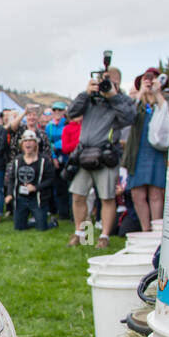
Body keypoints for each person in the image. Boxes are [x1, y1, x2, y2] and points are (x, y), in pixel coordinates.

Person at [65, 66, 136, 249]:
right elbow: (72, 112)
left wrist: (113, 96)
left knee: (106, 197)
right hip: (84, 153)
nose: (105, 83)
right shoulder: (90, 99)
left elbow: (129, 118)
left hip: (106, 155)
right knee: (78, 195)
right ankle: (81, 234)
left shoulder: (123, 100)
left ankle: (104, 236)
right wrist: (85, 93)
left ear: (117, 82)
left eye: (109, 80)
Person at [122, 69, 169, 230]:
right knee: (137, 194)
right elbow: (128, 117)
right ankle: (145, 230)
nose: (149, 82)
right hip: (138, 151)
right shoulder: (137, 103)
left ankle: (157, 231)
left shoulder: (164, 100)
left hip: (157, 152)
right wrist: (140, 93)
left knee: (156, 193)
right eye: (146, 79)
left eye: (153, 79)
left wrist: (157, 94)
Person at [5, 130, 51, 231]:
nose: (28, 143)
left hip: (37, 199)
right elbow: (12, 179)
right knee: (19, 228)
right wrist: (9, 194)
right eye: (25, 141)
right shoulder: (17, 160)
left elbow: (50, 179)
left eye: (31, 141)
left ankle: (50, 223)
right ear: (22, 144)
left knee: (42, 228)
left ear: (35, 143)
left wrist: (35, 187)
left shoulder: (44, 160)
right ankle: (31, 221)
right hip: (21, 198)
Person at [45, 101, 72, 219]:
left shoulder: (67, 124)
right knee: (59, 187)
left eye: (59, 110)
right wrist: (54, 157)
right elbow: (48, 143)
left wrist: (58, 145)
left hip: (69, 158)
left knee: (71, 187)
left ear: (64, 112)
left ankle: (73, 213)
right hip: (56, 159)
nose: (57, 112)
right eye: (54, 110)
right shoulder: (49, 126)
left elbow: (69, 139)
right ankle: (63, 212)